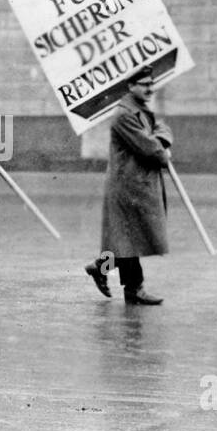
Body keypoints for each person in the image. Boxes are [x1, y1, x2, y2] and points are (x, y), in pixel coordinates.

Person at [84, 66, 172, 305]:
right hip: (127, 186)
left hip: (137, 184)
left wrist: (162, 140)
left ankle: (102, 267)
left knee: (125, 238)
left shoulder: (142, 110)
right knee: (128, 238)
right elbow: (147, 147)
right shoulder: (124, 115)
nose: (150, 88)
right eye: (144, 84)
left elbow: (161, 129)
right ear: (131, 86)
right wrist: (162, 152)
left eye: (151, 84)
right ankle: (133, 288)